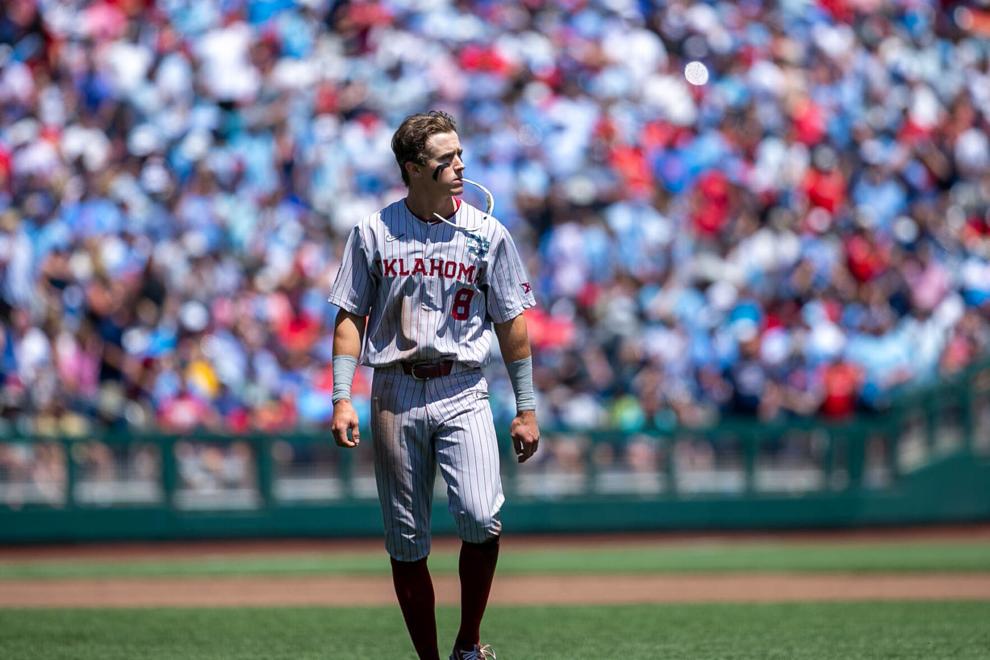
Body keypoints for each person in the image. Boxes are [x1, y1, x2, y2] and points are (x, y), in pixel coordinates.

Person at [328, 110, 540, 660]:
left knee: (479, 514)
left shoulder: (488, 232)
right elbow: (350, 316)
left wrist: (526, 406)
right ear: (413, 168)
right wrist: (341, 396)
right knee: (406, 539)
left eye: (459, 155)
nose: (459, 165)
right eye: (445, 159)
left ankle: (468, 643)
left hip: (463, 386)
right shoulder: (373, 231)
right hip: (395, 389)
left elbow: (512, 323)